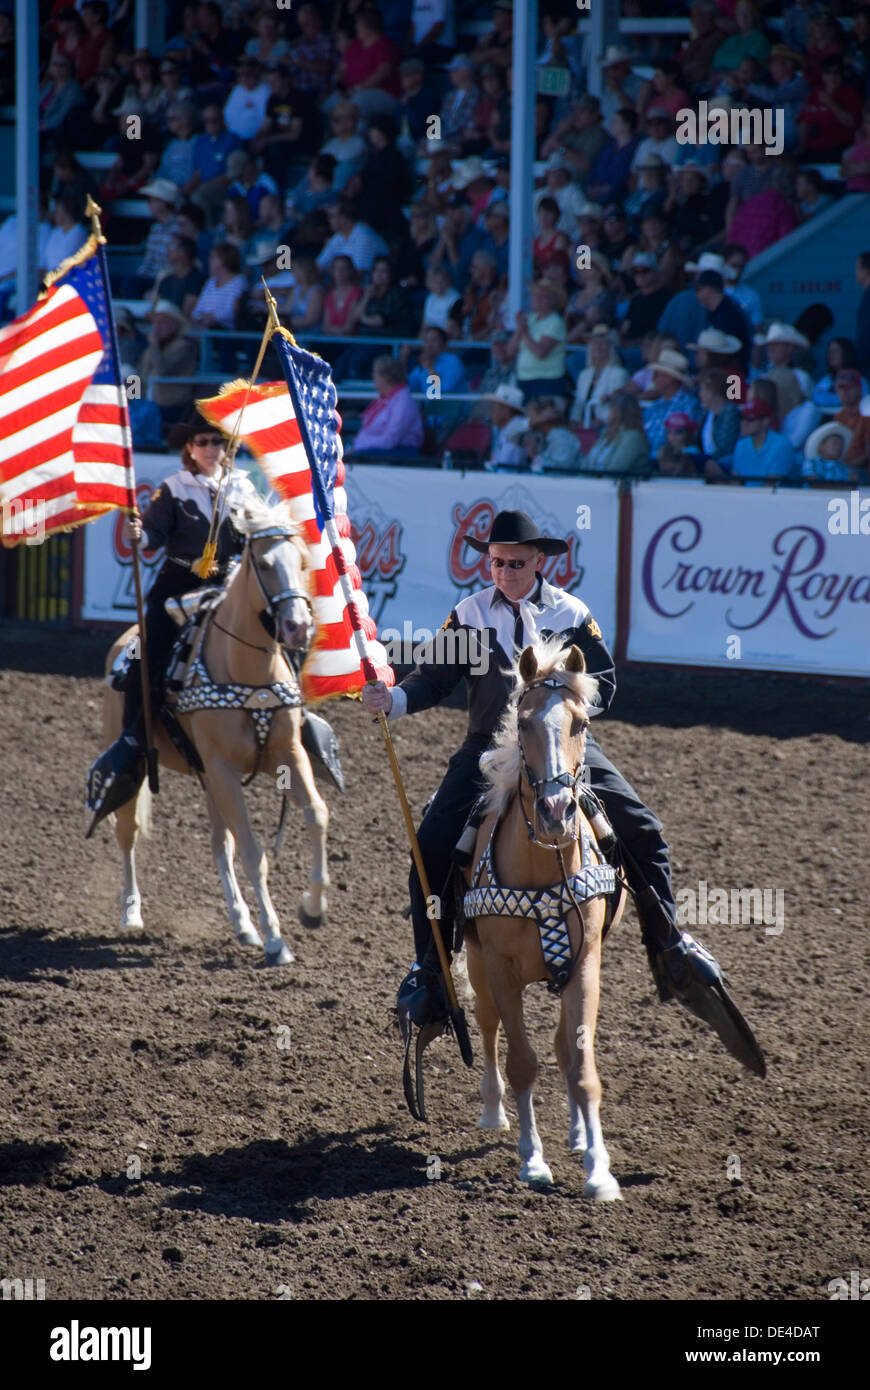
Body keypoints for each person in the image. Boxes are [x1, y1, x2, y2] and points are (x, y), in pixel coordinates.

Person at [359, 508, 725, 1032]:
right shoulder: (469, 613)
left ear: (539, 563)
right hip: (486, 749)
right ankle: (431, 971)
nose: (505, 573)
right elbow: (433, 679)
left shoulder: (571, 613)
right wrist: (391, 698)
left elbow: (607, 683)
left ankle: (669, 944)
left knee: (644, 828)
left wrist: (561, 718)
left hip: (562, 746)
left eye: (516, 563)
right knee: (431, 846)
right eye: (497, 563)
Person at [107, 413, 258, 760]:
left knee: (275, 628)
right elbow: (154, 534)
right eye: (201, 442)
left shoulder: (244, 487)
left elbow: (254, 535)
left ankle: (289, 712)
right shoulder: (174, 487)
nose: (209, 448)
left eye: (215, 441)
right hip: (178, 583)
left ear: (226, 447)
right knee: (149, 648)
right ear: (189, 449)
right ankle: (133, 735)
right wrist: (139, 535)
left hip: (228, 582)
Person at [349, 355, 424, 456]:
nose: (373, 377)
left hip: (399, 451)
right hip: (373, 447)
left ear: (386, 377)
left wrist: (358, 446)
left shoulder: (403, 402)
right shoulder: (385, 399)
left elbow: (389, 440)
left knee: (357, 455)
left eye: (375, 374)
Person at [580, 392, 650, 475]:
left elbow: (615, 471)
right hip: (591, 484)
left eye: (611, 408)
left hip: (620, 486)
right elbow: (586, 463)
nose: (608, 413)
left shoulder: (633, 437)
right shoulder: (607, 433)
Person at [730, 399, 797, 482]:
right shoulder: (741, 445)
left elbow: (770, 487)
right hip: (746, 494)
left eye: (750, 418)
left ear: (766, 421)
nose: (743, 423)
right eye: (742, 418)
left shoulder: (782, 445)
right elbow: (736, 483)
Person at [481, 384, 530, 472]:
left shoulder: (516, 427)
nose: (491, 414)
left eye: (494, 409)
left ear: (506, 410)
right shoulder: (503, 429)